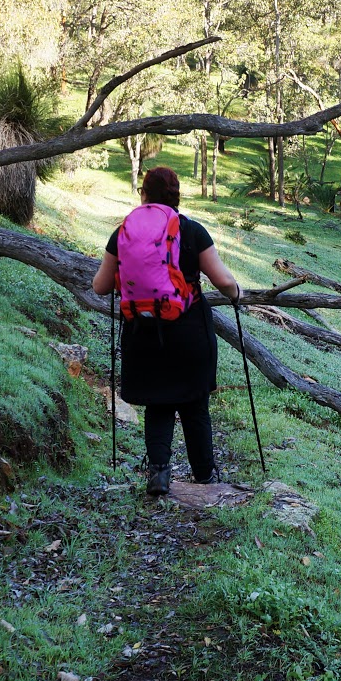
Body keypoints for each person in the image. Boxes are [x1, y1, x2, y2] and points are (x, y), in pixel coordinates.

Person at [92, 166, 241, 495]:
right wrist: (236, 295)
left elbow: (101, 286)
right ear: (176, 196)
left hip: (142, 333)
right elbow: (224, 281)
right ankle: (205, 477)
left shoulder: (123, 233)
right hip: (189, 332)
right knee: (194, 403)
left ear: (143, 194)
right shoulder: (192, 231)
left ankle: (159, 475)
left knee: (157, 403)